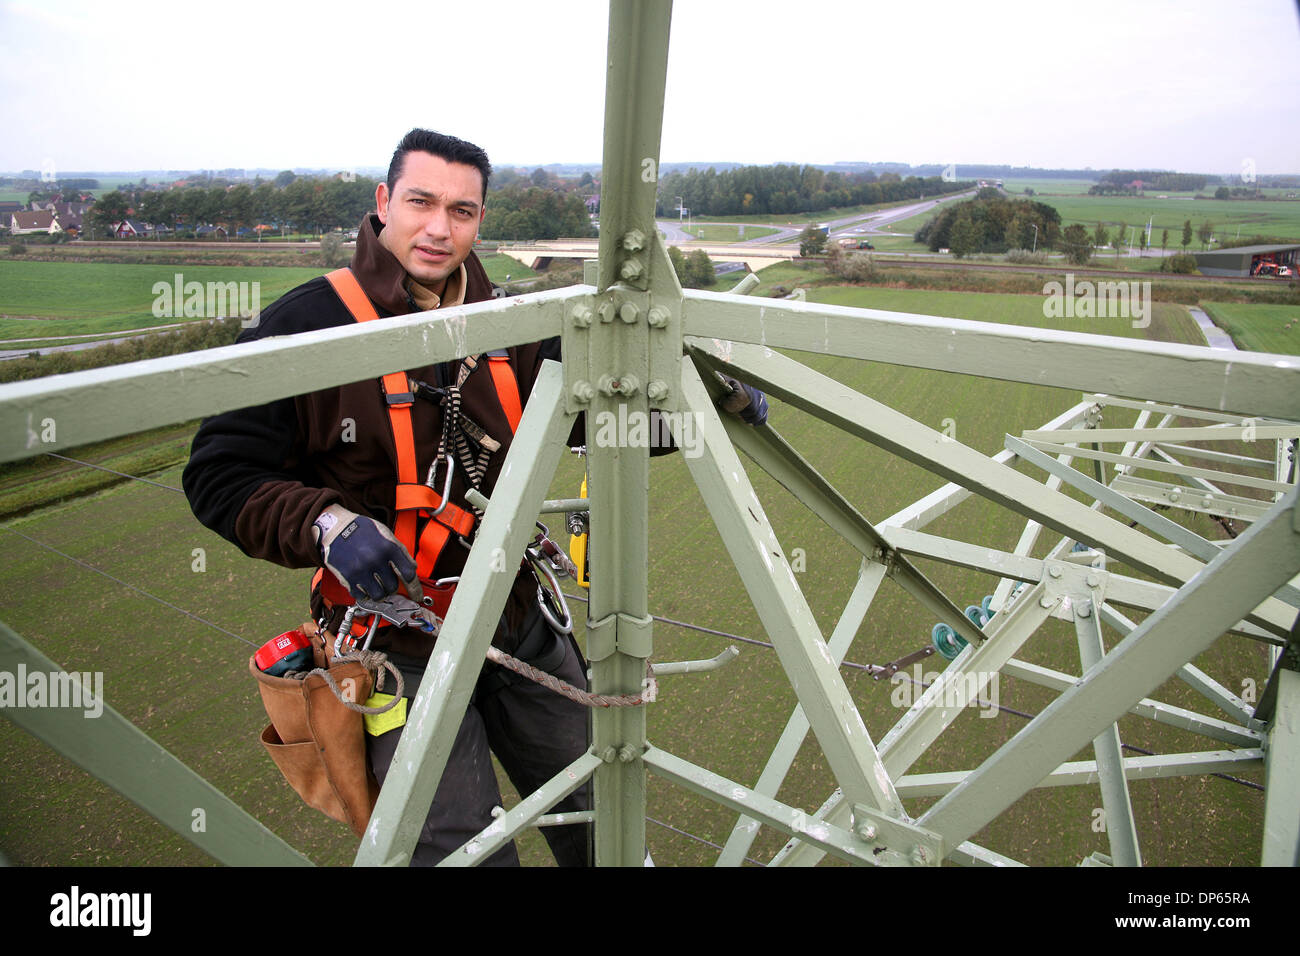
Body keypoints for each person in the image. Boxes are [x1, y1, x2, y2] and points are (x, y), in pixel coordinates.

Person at [183, 128, 767, 867]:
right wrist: (328, 524)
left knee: (604, 817)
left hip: (514, 619)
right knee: (462, 853)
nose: (439, 228)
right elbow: (220, 472)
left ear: (479, 221)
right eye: (421, 202)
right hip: (397, 642)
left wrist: (701, 404)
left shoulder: (512, 327)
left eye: (462, 211)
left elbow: (599, 412)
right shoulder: (306, 325)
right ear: (383, 201)